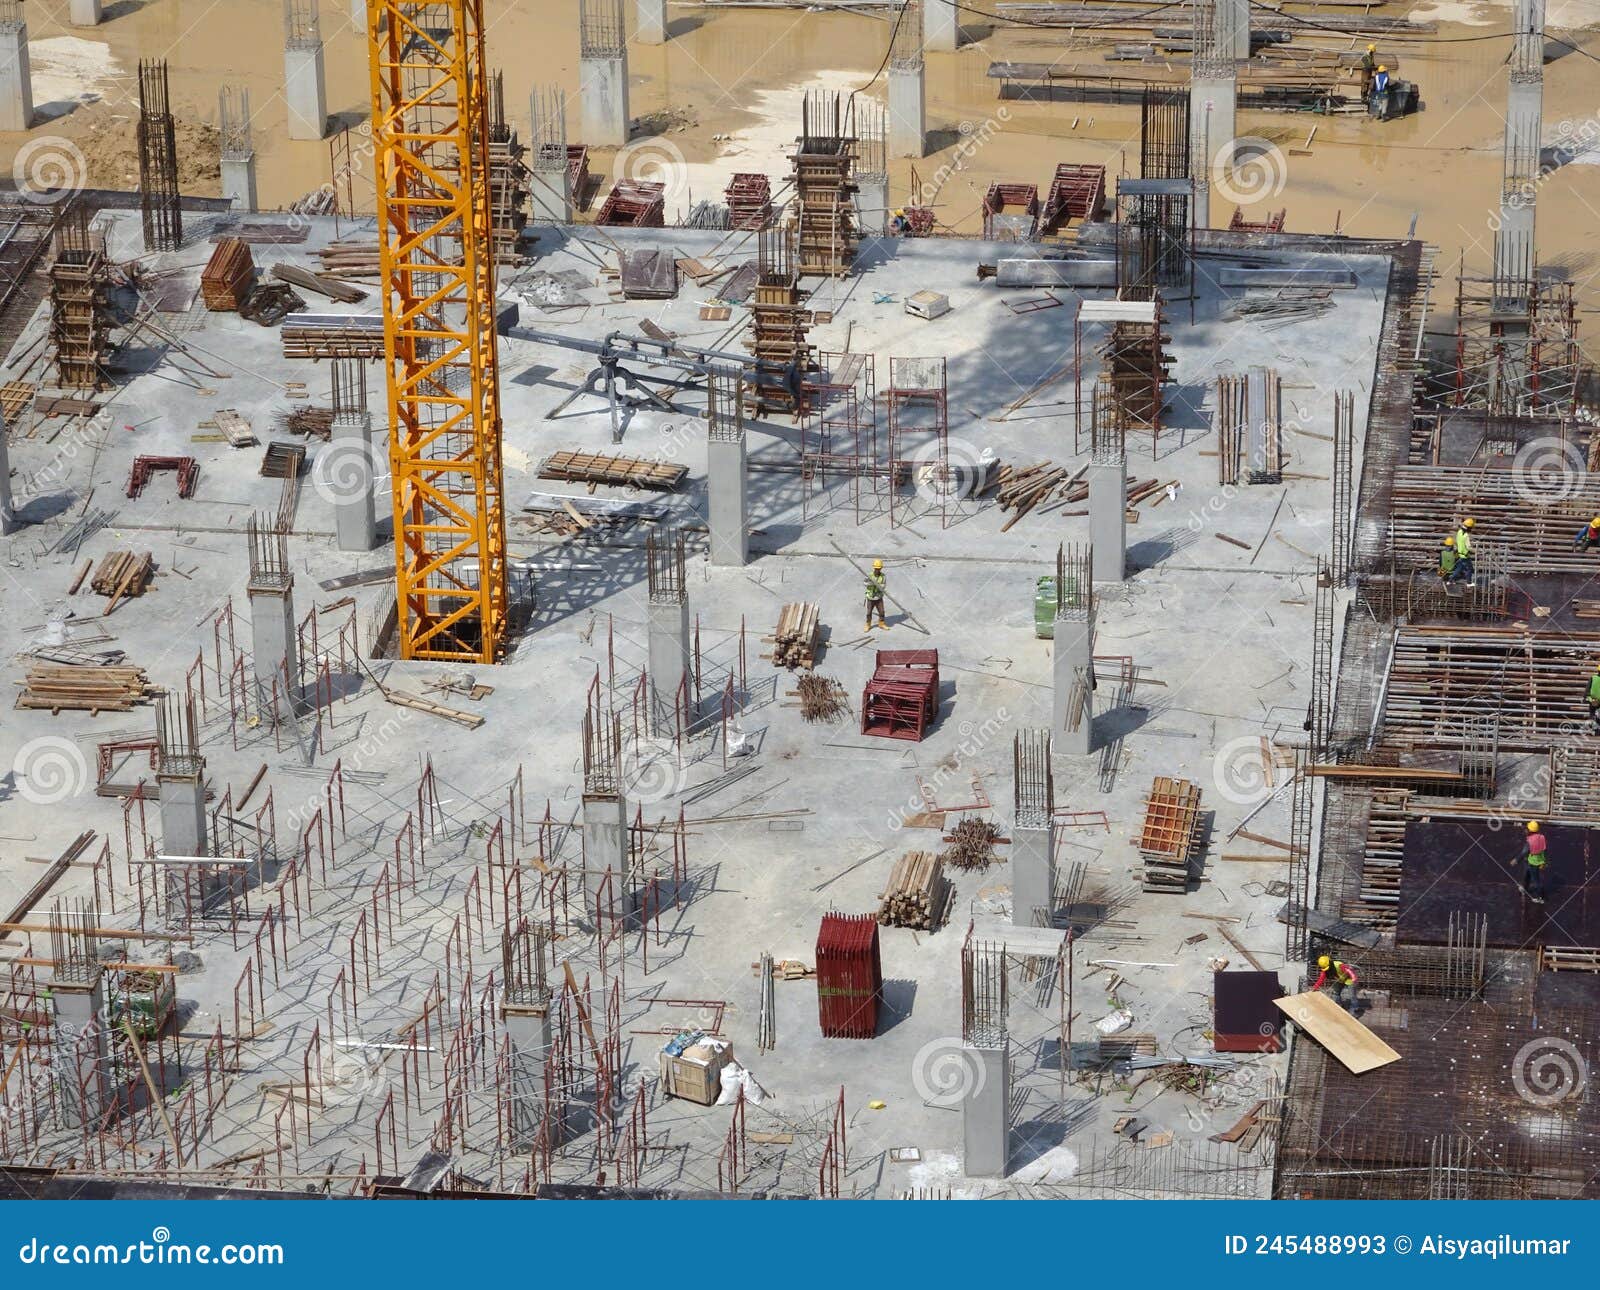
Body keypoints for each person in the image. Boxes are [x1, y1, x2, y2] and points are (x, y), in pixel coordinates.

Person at [1516, 821, 1549, 904]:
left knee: (1536, 881)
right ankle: (1525, 888)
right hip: (1539, 861)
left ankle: (1540, 897)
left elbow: (1525, 852)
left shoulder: (1530, 841)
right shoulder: (1541, 837)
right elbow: (1544, 850)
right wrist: (1544, 862)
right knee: (1527, 875)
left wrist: (1517, 859)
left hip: (1533, 862)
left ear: (1530, 830)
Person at [864, 559, 888, 631]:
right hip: (870, 597)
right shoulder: (869, 575)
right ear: (874, 568)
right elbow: (865, 583)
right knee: (869, 612)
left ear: (881, 568)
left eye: (879, 568)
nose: (877, 569)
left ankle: (881, 623)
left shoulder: (883, 576)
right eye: (876, 568)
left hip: (879, 597)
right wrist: (872, 583)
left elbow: (883, 586)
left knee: (882, 611)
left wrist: (878, 585)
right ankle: (868, 624)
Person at [1453, 517, 1475, 583]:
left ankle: (1452, 579)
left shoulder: (1459, 532)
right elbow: (1468, 547)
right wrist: (1475, 551)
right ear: (1469, 527)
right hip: (1464, 555)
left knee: (1460, 568)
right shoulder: (1466, 535)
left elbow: (1457, 542)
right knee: (1469, 569)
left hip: (1458, 553)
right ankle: (1469, 582)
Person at [1588, 662, 1600, 734]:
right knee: (1594, 715)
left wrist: (1589, 699)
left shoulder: (1593, 678)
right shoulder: (1593, 678)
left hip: (1593, 700)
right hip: (1595, 701)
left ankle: (1595, 729)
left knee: (1593, 715)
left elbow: (1587, 690)